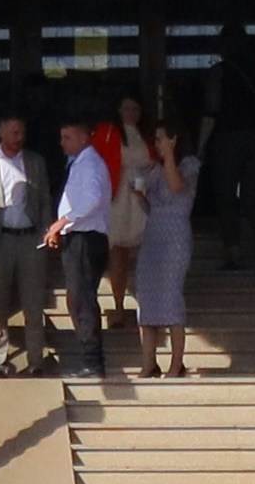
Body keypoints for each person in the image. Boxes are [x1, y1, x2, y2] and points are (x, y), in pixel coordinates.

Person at [0, 113, 49, 366]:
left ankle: (36, 360)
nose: (19, 138)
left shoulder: (35, 161)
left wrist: (46, 233)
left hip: (30, 240)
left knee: (34, 304)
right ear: (1, 131)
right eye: (13, 132)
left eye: (21, 132)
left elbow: (45, 200)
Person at [124, 108, 197, 375]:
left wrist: (168, 156)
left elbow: (177, 187)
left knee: (171, 296)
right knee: (148, 296)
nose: (156, 144)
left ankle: (176, 363)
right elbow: (150, 205)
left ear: (174, 139)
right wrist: (139, 195)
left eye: (160, 139)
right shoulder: (153, 169)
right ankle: (148, 362)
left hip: (176, 235)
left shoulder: (188, 164)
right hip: (154, 234)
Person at [48, 115, 119, 380]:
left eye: (67, 138)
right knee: (78, 298)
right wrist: (62, 227)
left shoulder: (89, 164)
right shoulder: (81, 164)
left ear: (82, 137)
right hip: (79, 235)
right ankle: (89, 357)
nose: (62, 143)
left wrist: (63, 221)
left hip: (86, 238)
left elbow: (92, 199)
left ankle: (93, 360)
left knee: (83, 300)